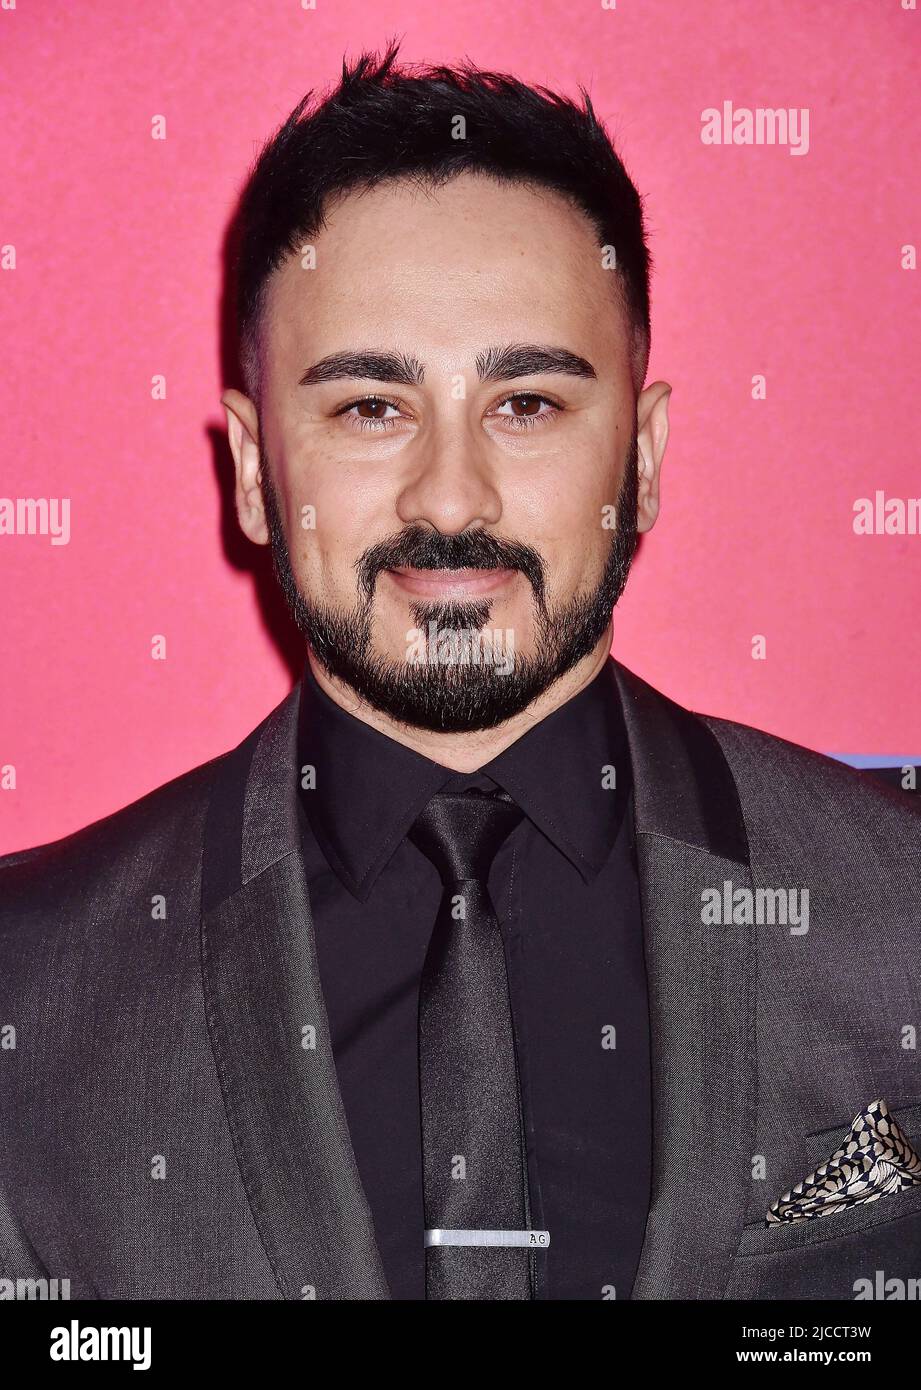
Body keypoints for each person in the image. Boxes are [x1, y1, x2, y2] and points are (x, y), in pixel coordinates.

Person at [2, 43, 919, 1302]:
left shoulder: (898, 913)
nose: (450, 498)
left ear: (645, 455)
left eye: (526, 403)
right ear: (256, 474)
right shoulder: (29, 985)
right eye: (370, 408)